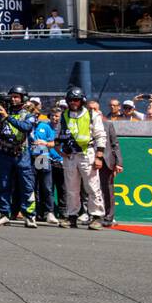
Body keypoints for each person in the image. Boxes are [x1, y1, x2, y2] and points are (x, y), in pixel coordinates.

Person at [54, 86, 106, 230]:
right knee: (71, 188)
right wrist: (58, 148)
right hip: (70, 156)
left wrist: (99, 156)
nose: (73, 102)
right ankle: (72, 217)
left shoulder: (92, 115)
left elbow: (100, 135)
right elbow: (57, 135)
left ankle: (96, 216)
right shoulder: (64, 115)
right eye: (71, 100)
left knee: (92, 186)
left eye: (76, 100)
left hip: (87, 153)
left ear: (82, 100)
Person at [0, 87, 38, 227]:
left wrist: (8, 117)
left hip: (21, 154)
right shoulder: (2, 113)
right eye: (11, 96)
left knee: (27, 186)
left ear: (23, 98)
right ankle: (4, 214)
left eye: (16, 96)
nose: (13, 99)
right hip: (4, 153)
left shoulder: (28, 114)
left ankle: (30, 216)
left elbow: (26, 127)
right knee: (4, 185)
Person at [92, 99, 123, 228]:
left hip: (106, 161)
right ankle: (92, 216)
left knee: (107, 189)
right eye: (90, 109)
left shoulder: (108, 124)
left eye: (95, 109)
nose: (92, 112)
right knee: (90, 189)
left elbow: (115, 144)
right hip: (88, 160)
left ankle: (109, 217)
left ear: (99, 111)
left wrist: (119, 163)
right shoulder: (83, 123)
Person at [32, 107, 62, 225]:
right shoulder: (41, 126)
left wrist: (46, 143)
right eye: (53, 116)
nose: (55, 118)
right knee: (35, 187)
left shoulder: (49, 127)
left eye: (57, 116)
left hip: (47, 158)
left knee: (47, 187)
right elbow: (37, 142)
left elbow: (56, 142)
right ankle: (36, 213)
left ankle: (50, 212)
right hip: (34, 157)